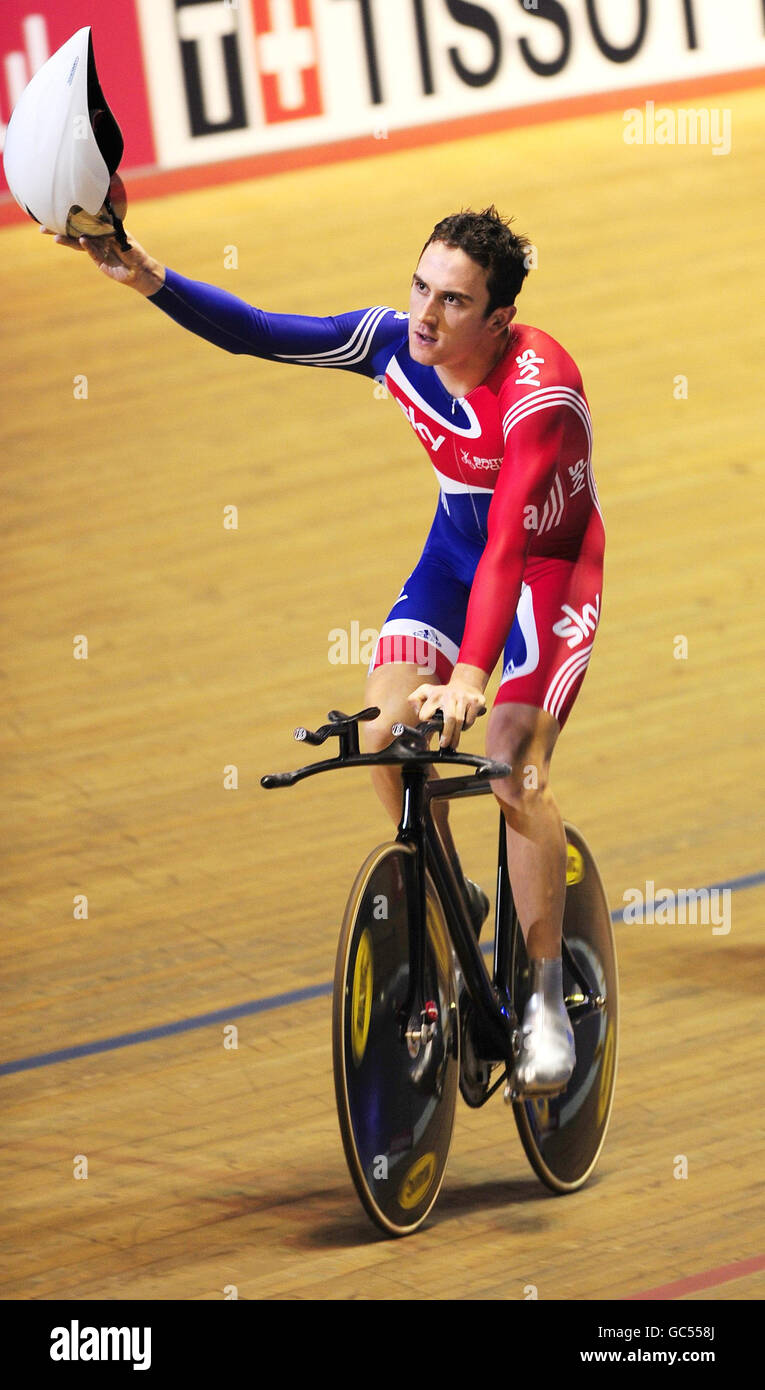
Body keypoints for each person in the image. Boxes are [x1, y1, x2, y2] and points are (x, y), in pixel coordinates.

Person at [44, 206, 604, 1095]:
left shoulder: (537, 389)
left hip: (544, 568)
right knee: (380, 733)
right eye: (419, 286)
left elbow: (508, 545)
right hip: (454, 557)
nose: (424, 314)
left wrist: (467, 680)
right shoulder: (393, 347)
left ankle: (540, 999)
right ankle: (454, 893)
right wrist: (145, 274)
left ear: (497, 322)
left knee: (508, 765)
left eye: (453, 301)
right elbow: (261, 334)